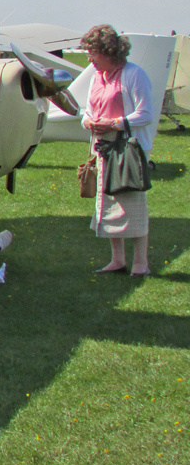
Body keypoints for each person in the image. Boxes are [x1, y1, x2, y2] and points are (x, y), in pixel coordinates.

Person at [80, 24, 156, 277]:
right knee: (108, 201)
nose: (89, 59)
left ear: (108, 51)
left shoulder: (134, 74)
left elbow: (145, 114)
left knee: (132, 202)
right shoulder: (95, 78)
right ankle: (117, 260)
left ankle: (141, 263)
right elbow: (88, 110)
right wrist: (88, 121)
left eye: (92, 53)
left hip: (127, 149)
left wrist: (115, 123)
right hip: (103, 148)